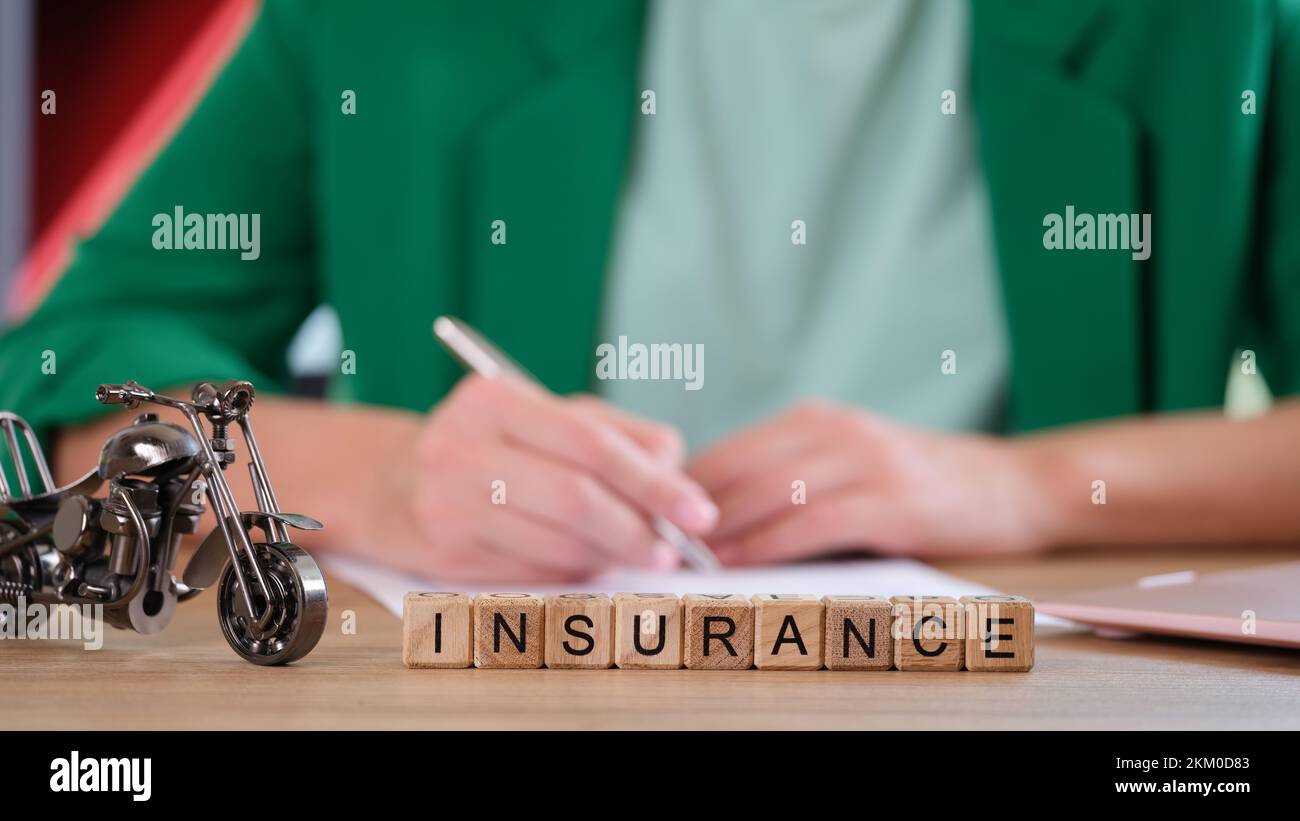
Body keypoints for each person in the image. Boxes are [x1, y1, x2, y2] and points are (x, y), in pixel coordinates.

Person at [1, 0, 1298, 582]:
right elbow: (58, 400)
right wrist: (379, 477)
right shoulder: (379, 17)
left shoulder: (1220, 20)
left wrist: (1026, 486)